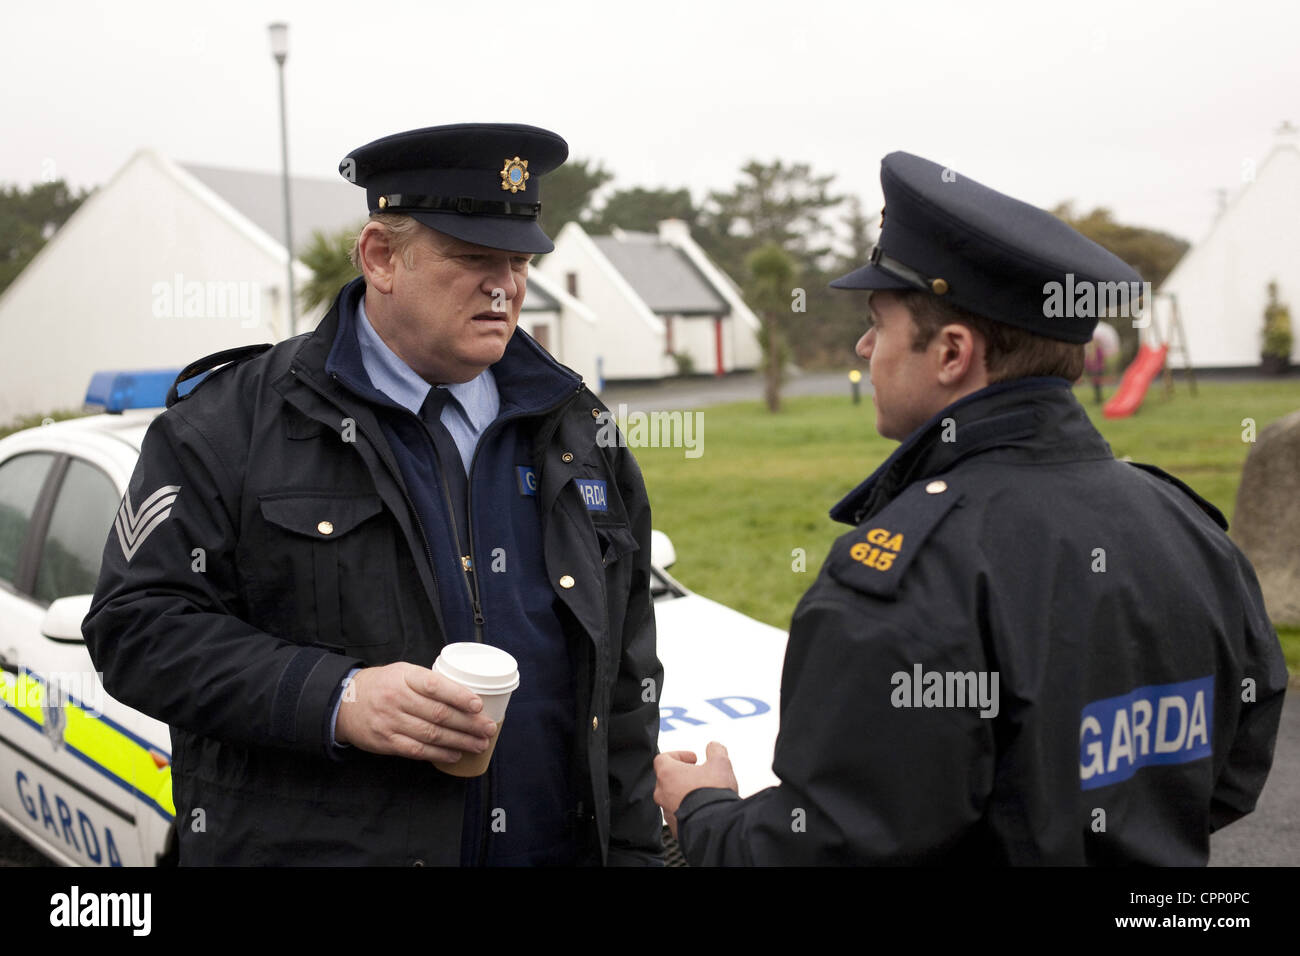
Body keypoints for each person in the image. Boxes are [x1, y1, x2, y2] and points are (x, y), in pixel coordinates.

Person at [653, 151, 1287, 865]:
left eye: (878, 323)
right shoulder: (1182, 523)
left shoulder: (911, 571)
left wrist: (702, 811)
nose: (864, 347)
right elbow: (1232, 773)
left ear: (952, 352)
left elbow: (826, 848)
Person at [83, 123, 664, 866]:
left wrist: (638, 854)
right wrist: (336, 697)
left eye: (520, 261)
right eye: (475, 258)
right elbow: (137, 629)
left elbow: (625, 682)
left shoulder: (578, 429)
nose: (506, 286)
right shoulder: (228, 425)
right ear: (382, 257)